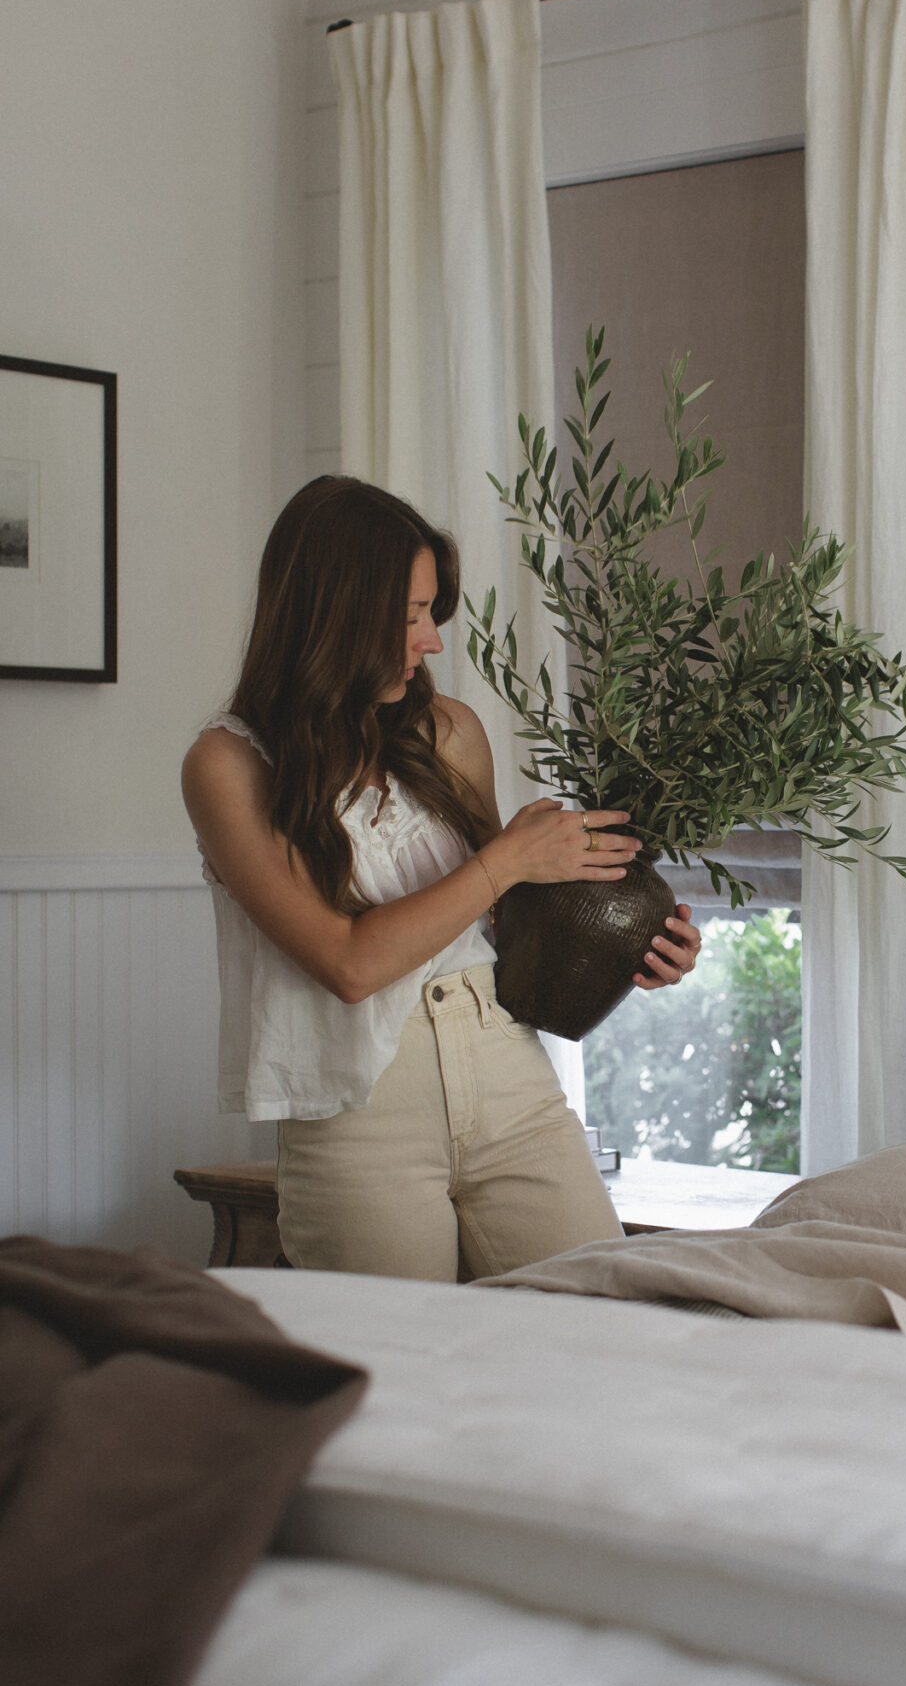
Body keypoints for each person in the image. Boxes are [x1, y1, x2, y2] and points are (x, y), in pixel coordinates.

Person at [182, 476, 701, 1281]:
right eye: (409, 617)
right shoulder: (229, 764)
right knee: (397, 1376)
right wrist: (507, 860)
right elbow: (348, 966)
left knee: (602, 1338)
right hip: (358, 1114)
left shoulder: (448, 731)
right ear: (334, 616)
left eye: (430, 613)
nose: (429, 641)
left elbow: (506, 926)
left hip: (508, 1077)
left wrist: (636, 947)